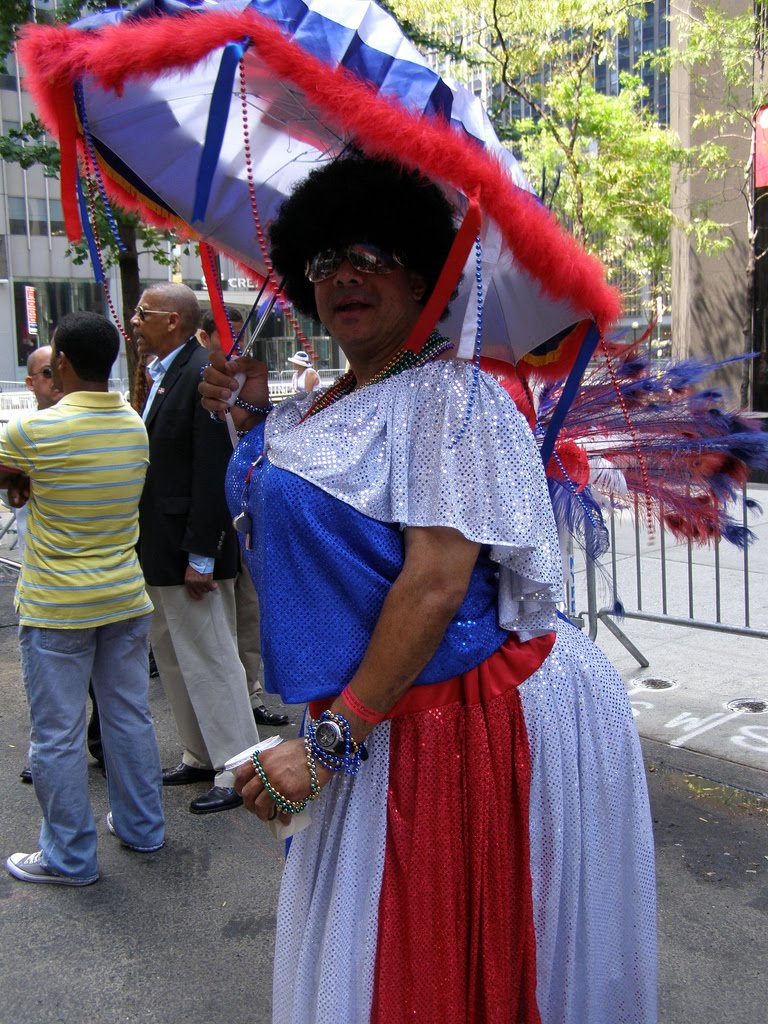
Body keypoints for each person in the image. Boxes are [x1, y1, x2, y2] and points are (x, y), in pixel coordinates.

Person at [201, 155, 657, 1023]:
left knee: (428, 976)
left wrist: (327, 747)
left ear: (423, 273)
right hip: (375, 715)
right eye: (326, 261)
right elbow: (325, 511)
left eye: (370, 255)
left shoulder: (451, 396)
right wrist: (250, 416)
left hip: (452, 723)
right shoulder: (317, 404)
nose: (344, 275)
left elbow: (436, 585)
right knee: (371, 959)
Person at [3, 311, 164, 885]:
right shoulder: (131, 424)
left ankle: (68, 857)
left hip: (57, 608)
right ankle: (143, 827)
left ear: (61, 363)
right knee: (129, 718)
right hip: (123, 597)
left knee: (58, 734)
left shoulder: (36, 433)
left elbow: (12, 461)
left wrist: (14, 477)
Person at [133, 283, 260, 814]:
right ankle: (198, 753)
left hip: (193, 548)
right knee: (175, 655)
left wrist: (202, 554)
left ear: (173, 321)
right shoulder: (164, 374)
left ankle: (239, 770)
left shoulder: (202, 373)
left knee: (211, 660)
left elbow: (212, 473)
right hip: (161, 546)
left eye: (144, 313)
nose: (134, 321)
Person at [16, 345, 104, 784]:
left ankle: (67, 853)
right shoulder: (27, 429)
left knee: (68, 708)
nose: (53, 380)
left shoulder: (86, 423)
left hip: (63, 598)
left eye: (57, 369)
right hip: (91, 591)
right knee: (58, 704)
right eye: (43, 373)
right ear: (31, 382)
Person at [199, 306, 289, 728]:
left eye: (237, 330)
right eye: (221, 330)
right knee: (218, 632)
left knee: (250, 617)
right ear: (204, 337)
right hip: (218, 533)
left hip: (250, 535)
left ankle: (250, 693)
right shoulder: (197, 381)